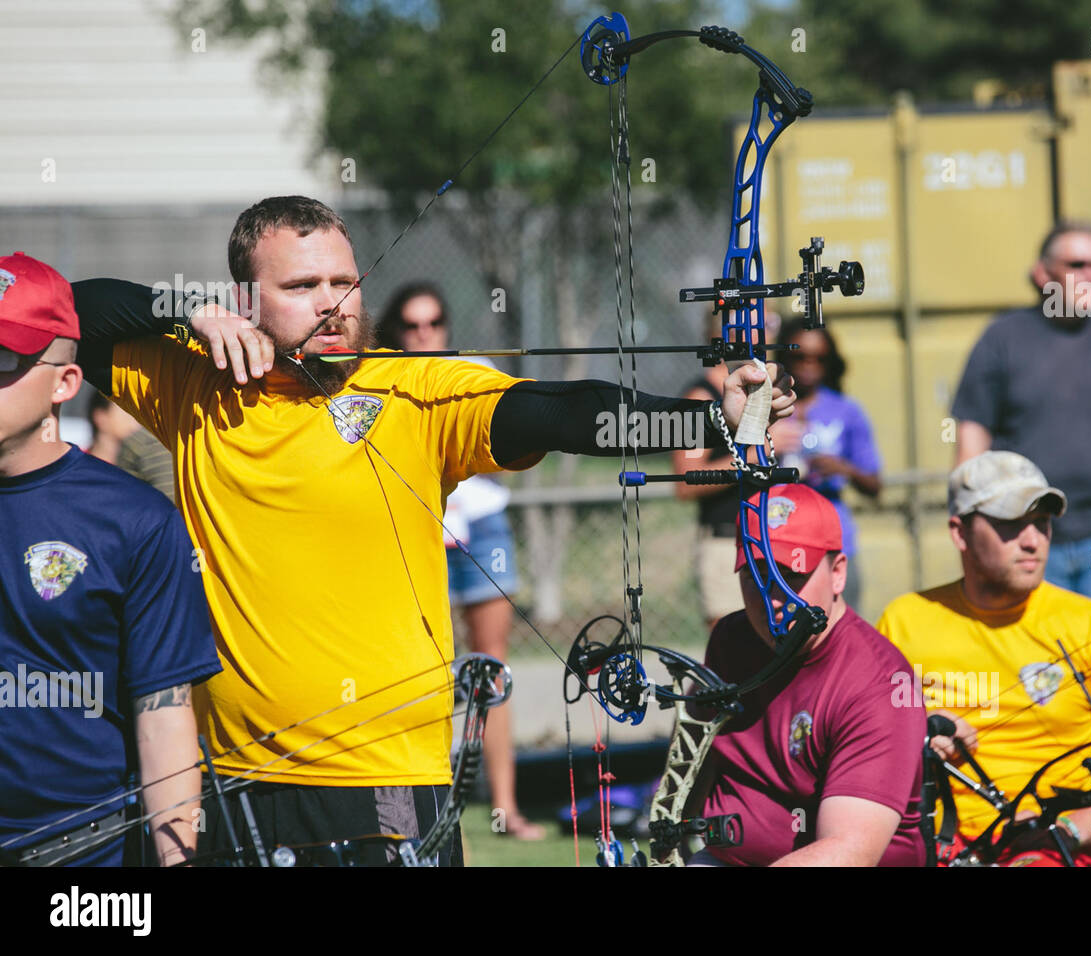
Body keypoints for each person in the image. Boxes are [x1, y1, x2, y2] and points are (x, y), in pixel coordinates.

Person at [69, 196, 796, 864]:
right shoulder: (193, 384)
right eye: (301, 288)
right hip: (233, 776)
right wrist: (187, 313)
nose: (331, 306)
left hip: (384, 780)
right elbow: (67, 312)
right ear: (242, 302)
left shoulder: (415, 393)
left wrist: (703, 419)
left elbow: (566, 412)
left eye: (343, 284)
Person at [0, 252, 220, 867]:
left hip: (85, 859)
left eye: (3, 359)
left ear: (65, 384)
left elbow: (164, 716)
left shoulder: (135, 521)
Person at [877, 451, 1091, 865]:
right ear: (959, 532)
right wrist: (920, 738)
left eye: (1042, 523)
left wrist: (1070, 829)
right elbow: (869, 751)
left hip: (1054, 849)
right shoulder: (904, 620)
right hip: (934, 844)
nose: (1032, 540)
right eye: (1010, 525)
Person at [375, 281, 543, 841]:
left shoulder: (472, 371)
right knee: (415, 667)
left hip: (482, 530)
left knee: (489, 668)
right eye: (412, 325)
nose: (424, 334)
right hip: (415, 530)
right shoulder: (382, 379)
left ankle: (504, 808)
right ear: (395, 331)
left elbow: (515, 450)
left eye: (434, 323)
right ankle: (415, 813)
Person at [687, 484, 926, 866]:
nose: (773, 599)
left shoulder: (882, 683)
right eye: (757, 575)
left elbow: (849, 851)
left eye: (790, 576)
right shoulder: (730, 639)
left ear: (838, 573)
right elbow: (691, 761)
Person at [951, 220, 1091, 644]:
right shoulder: (1003, 339)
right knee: (1037, 672)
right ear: (1042, 274)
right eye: (1076, 263)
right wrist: (979, 524)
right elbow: (973, 432)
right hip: (1023, 537)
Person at [769, 319, 881, 609]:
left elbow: (874, 484)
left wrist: (844, 468)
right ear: (783, 357)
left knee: (843, 628)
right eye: (799, 356)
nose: (809, 365)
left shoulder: (847, 410)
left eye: (819, 358)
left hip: (835, 540)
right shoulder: (765, 408)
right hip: (777, 538)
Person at [672, 313, 745, 631]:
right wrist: (746, 460)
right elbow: (686, 482)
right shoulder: (699, 398)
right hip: (725, 544)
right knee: (730, 661)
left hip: (769, 540)